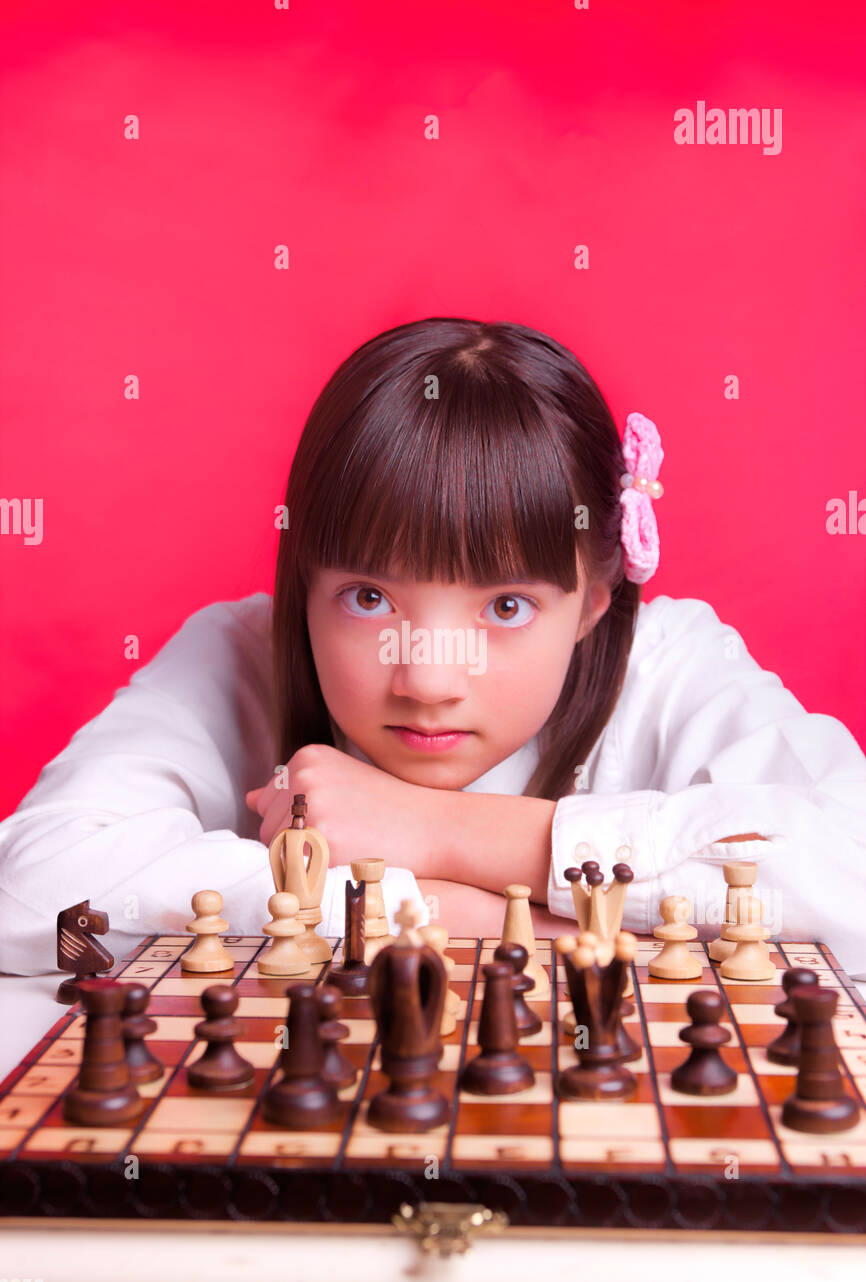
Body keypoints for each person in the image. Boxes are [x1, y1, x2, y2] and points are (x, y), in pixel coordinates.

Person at [1, 318, 865, 980]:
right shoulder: (237, 651)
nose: (429, 678)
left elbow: (849, 872)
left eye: (508, 606)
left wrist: (440, 832)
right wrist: (436, 909)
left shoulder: (671, 663)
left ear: (595, 602)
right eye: (369, 599)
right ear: (303, 582)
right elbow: (30, 891)